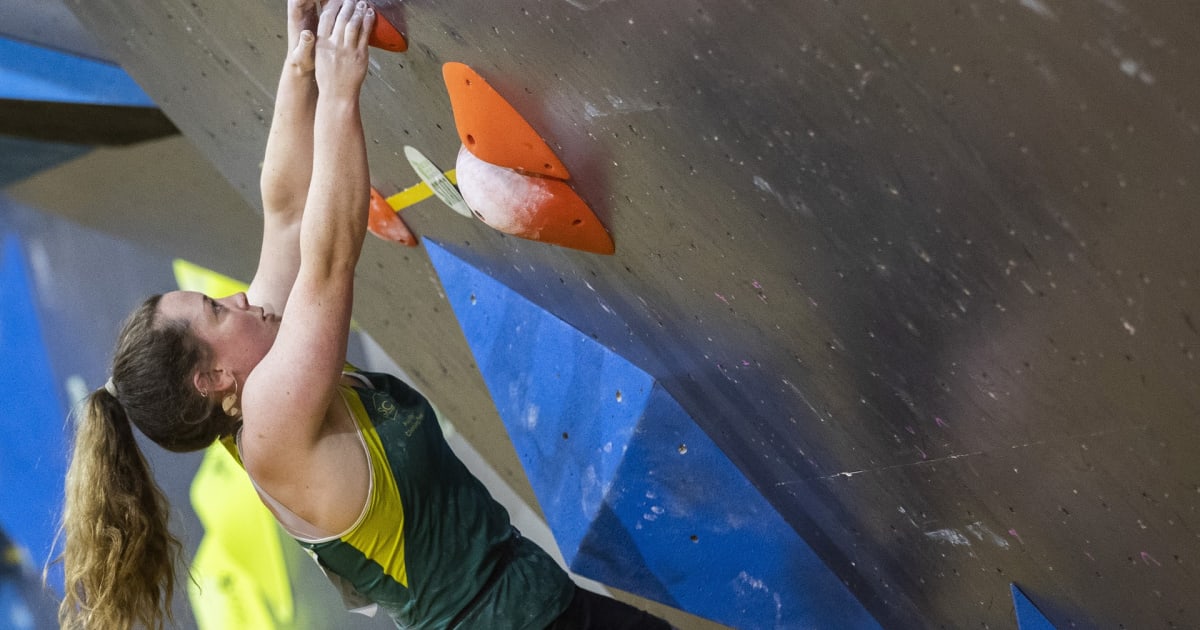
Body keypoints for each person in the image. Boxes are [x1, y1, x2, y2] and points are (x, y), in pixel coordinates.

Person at [57, 1, 675, 629]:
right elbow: (327, 263)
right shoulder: (271, 427)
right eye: (217, 310)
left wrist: (300, 64)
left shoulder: (266, 354)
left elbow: (290, 214)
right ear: (213, 380)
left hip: (542, 601)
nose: (239, 297)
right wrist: (340, 93)